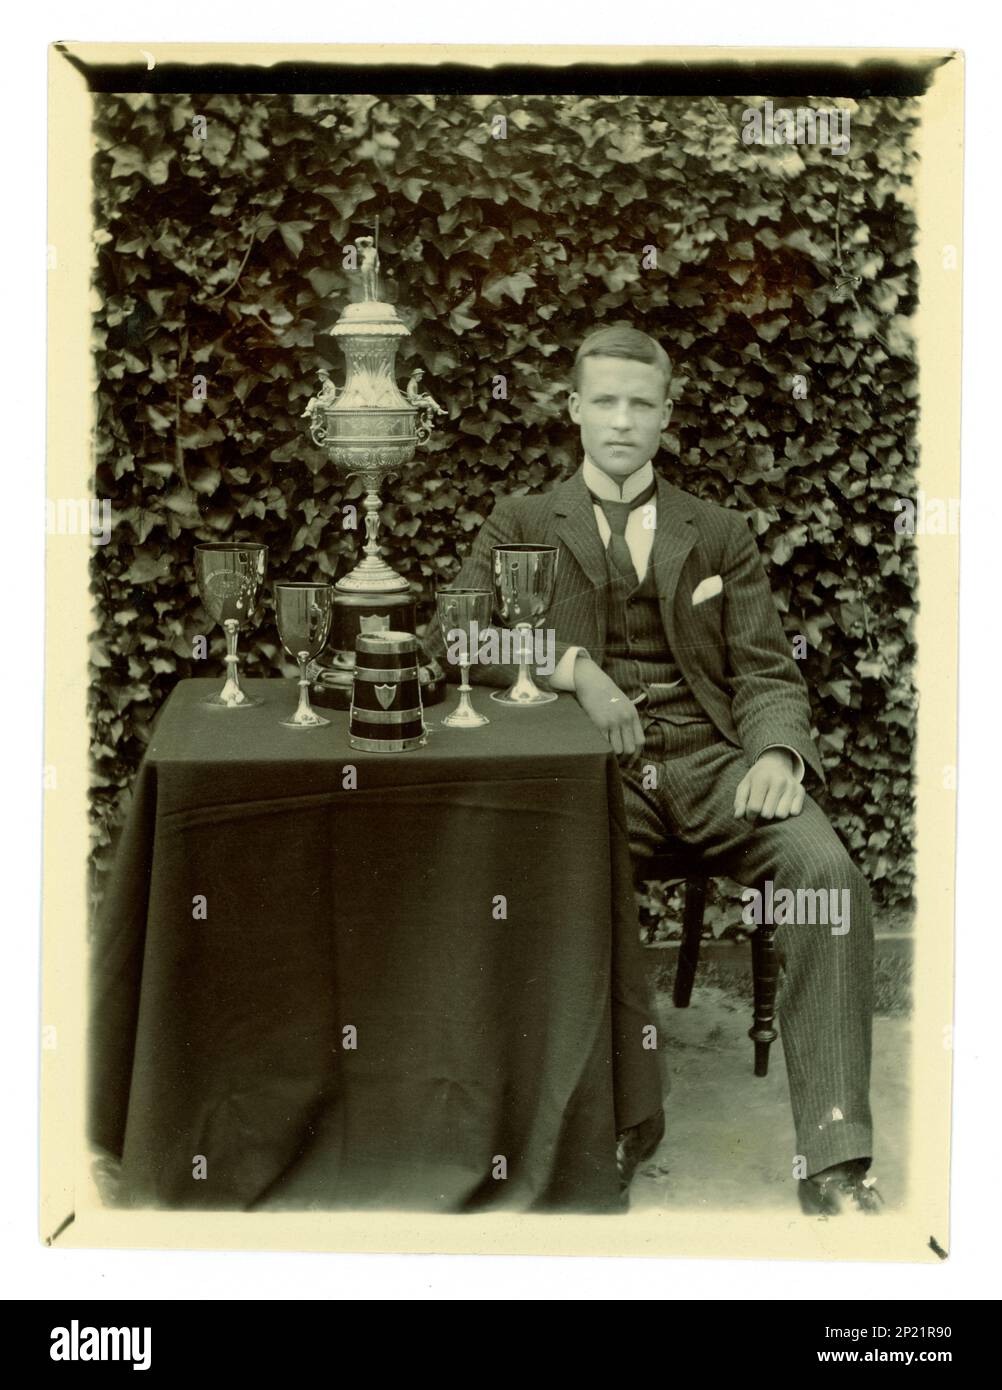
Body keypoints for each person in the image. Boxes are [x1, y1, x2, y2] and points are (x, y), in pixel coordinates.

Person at [425, 325, 880, 1216]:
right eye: (605, 402)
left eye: (642, 405)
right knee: (569, 886)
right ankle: (617, 1126)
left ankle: (835, 1163)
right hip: (587, 770)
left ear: (667, 417)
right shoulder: (521, 521)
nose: (622, 421)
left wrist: (779, 754)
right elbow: (454, 638)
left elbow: (764, 672)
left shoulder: (717, 531)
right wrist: (575, 671)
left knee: (827, 878)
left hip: (713, 762)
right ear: (574, 411)